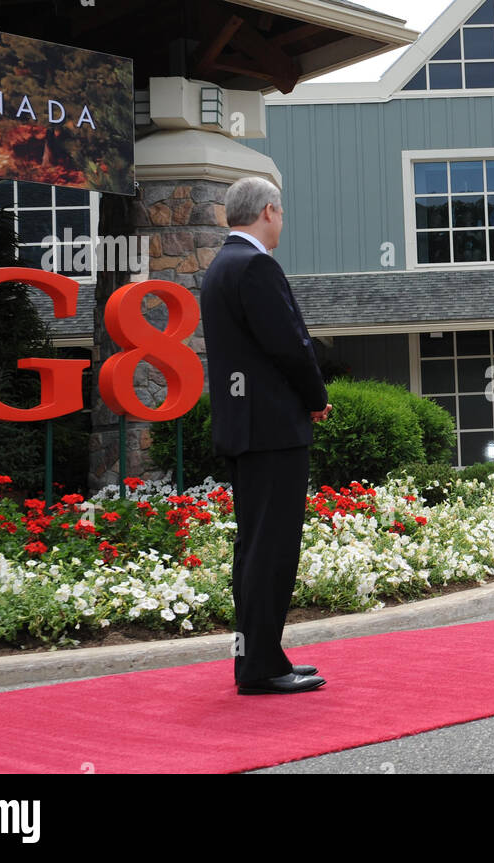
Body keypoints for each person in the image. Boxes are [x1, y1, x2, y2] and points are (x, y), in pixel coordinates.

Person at [200, 176, 332, 694]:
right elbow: (291, 345)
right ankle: (261, 667)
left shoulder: (219, 268)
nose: (283, 221)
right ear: (269, 212)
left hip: (245, 429)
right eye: (282, 213)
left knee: (254, 550)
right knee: (271, 551)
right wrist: (316, 397)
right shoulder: (256, 265)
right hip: (272, 431)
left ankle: (260, 658)